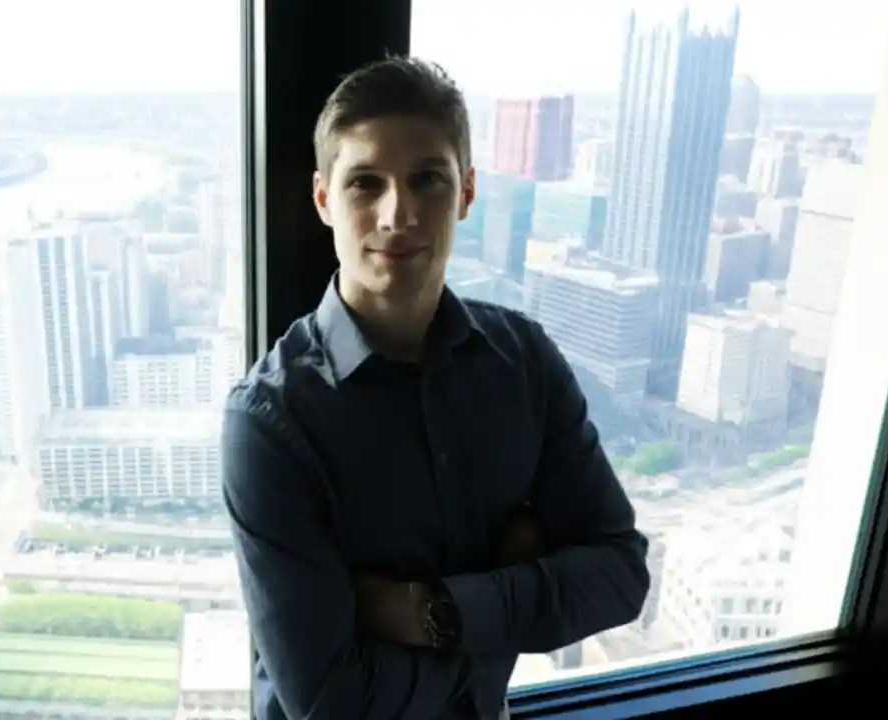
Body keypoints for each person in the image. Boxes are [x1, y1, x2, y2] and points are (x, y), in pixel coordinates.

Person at [220, 55, 651, 719]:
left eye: (428, 180)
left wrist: (428, 611)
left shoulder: (524, 363)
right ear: (323, 199)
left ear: (468, 192)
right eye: (366, 183)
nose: (399, 214)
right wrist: (503, 596)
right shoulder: (272, 419)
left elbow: (620, 576)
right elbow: (331, 703)